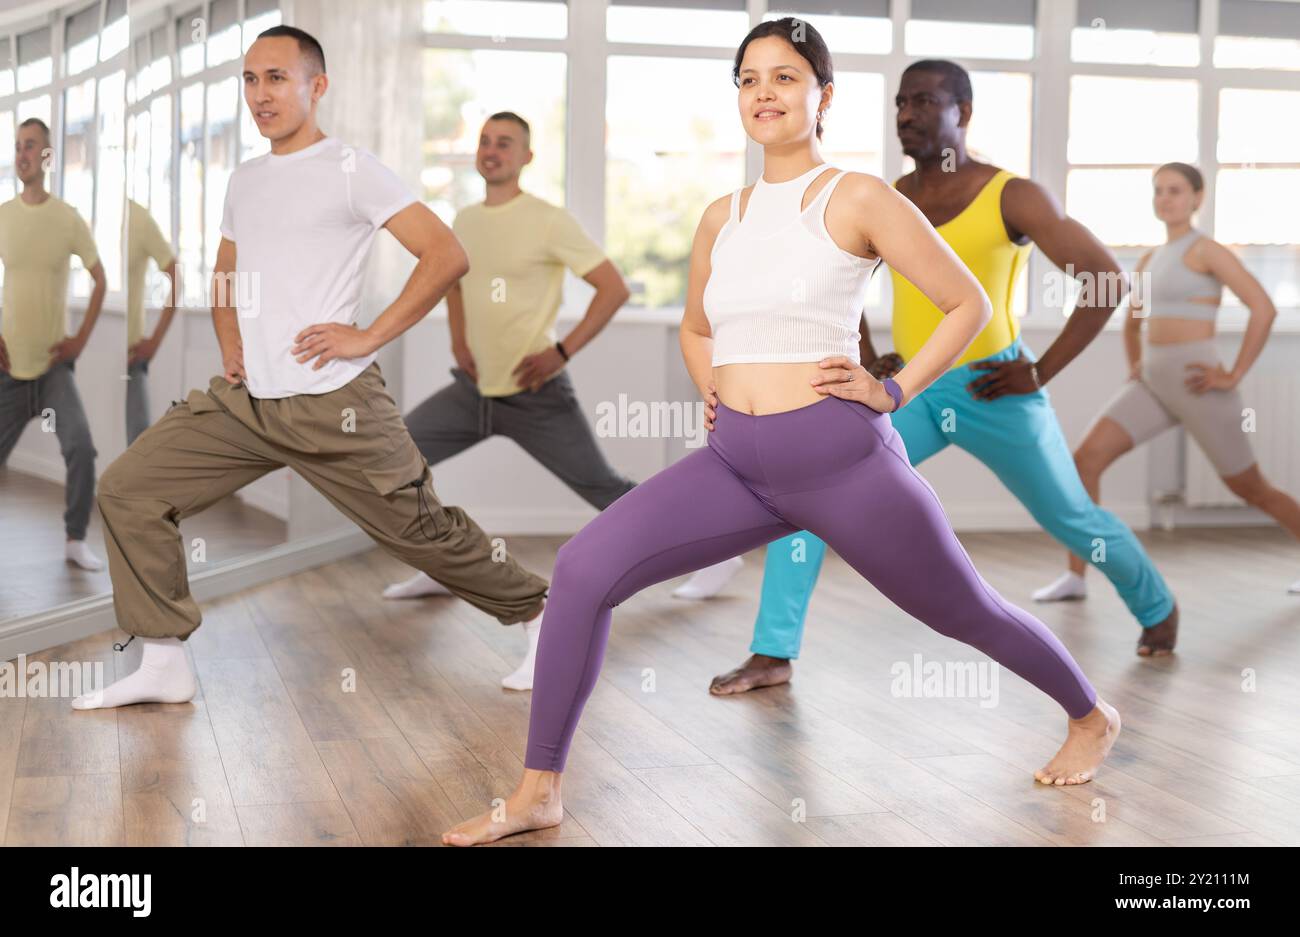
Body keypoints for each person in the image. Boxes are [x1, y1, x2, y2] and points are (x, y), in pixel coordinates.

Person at [443, 19, 1120, 846]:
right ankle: (538, 790)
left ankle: (1091, 714)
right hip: (734, 464)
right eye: (750, 79)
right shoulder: (721, 217)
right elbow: (697, 326)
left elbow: (966, 303)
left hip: (843, 464)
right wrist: (713, 386)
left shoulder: (858, 196)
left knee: (964, 610)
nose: (765, 92)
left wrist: (893, 387)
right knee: (583, 569)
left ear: (822, 95)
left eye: (786, 76)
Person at [72, 26, 549, 710]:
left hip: (335, 401)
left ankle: (540, 614)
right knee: (128, 490)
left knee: (420, 531)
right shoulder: (245, 178)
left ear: (315, 86)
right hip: (248, 402)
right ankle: (163, 660)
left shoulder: (352, 169)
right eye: (249, 79)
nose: (260, 94)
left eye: (276, 78)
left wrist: (368, 334)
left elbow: (446, 254)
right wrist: (231, 342)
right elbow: (226, 271)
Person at [709, 58, 1184, 697]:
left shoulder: (1013, 195)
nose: (908, 115)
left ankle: (1157, 607)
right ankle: (772, 650)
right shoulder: (885, 197)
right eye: (902, 103)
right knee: (810, 499)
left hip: (994, 389)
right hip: (911, 391)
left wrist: (1039, 371)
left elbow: (1105, 281)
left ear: (965, 112)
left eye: (926, 102)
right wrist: (868, 356)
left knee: (1070, 515)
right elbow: (833, 282)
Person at [382, 111, 742, 687]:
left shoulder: (547, 220)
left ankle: (716, 552)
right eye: (485, 141)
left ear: (527, 157)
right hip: (473, 389)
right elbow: (453, 282)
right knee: (398, 459)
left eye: (505, 143)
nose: (491, 150)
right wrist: (458, 341)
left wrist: (561, 352)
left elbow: (612, 288)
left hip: (535, 393)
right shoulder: (464, 219)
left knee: (603, 488)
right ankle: (441, 564)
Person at [1035, 162, 1300, 601]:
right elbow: (1132, 321)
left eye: (1175, 190)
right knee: (1085, 461)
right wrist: (1137, 365)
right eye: (1158, 190)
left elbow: (1264, 308)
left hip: (1198, 386)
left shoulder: (1207, 251)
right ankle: (1077, 576)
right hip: (1153, 387)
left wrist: (1233, 374)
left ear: (1198, 198)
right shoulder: (1150, 258)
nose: (1164, 198)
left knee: (1250, 487)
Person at [0, 117, 107, 571]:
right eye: (17, 146)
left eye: (31, 146)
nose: (22, 154)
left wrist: (79, 341)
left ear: (47, 157)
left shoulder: (67, 218)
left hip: (52, 369)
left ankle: (75, 539)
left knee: (81, 447)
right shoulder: (3, 215)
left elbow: (100, 279)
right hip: (8, 368)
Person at [125, 199, 179, 444]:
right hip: (94, 355)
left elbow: (176, 278)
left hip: (131, 358)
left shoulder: (139, 219)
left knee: (139, 445)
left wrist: (154, 342)